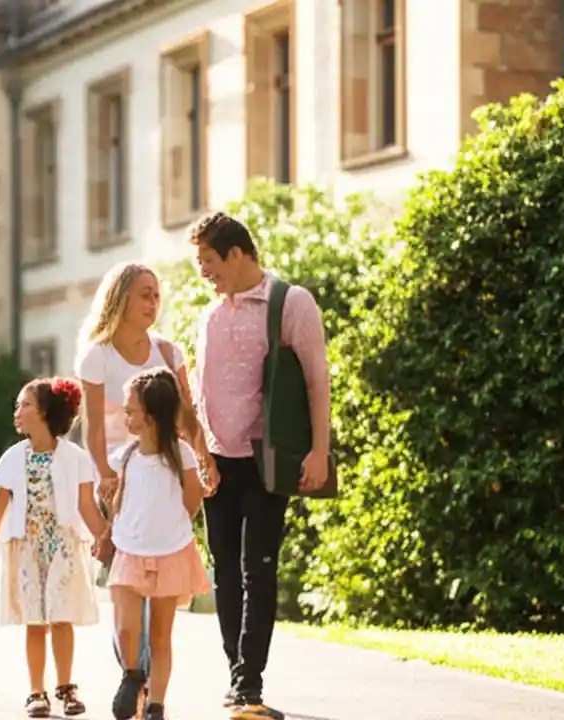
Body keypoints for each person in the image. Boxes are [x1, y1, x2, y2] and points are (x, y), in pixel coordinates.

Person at [186, 212, 331, 720]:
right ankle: (236, 677)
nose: (204, 271)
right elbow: (199, 394)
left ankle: (250, 682)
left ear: (238, 253)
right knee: (224, 574)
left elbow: (316, 380)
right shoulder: (210, 316)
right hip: (218, 465)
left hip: (266, 461)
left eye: (208, 260)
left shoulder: (290, 302)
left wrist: (319, 450)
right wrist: (201, 456)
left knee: (258, 571)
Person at [74, 261, 198, 710]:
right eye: (144, 294)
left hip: (164, 473)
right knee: (126, 592)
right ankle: (135, 677)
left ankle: (147, 689)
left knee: (159, 593)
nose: (152, 303)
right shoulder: (97, 355)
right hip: (118, 478)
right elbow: (92, 430)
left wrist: (197, 464)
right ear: (121, 297)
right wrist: (105, 476)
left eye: (156, 295)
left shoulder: (167, 351)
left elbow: (187, 418)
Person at [0, 377, 107, 718]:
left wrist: (106, 540)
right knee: (35, 620)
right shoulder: (13, 457)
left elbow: (86, 506)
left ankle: (65, 686)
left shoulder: (74, 457)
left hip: (63, 547)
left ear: (45, 412)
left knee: (62, 618)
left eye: (24, 405)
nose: (17, 411)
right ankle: (36, 691)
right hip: (27, 549)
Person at [106, 368, 210, 720]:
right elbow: (121, 498)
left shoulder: (181, 455)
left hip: (170, 551)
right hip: (130, 550)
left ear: (150, 417)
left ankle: (156, 705)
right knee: (125, 625)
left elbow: (193, 499)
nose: (126, 416)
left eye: (131, 410)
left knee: (161, 635)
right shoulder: (128, 455)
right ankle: (133, 675)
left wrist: (171, 527)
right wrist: (111, 529)